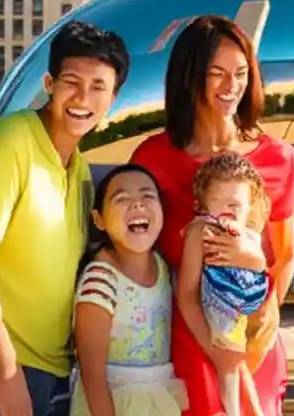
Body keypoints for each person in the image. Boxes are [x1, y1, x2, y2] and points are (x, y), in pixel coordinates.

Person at [0, 20, 130, 416]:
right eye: (71, 82)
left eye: (98, 87)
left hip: (50, 372)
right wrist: (6, 371)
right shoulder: (11, 141)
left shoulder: (77, 170)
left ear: (113, 97)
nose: (82, 97)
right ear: (49, 83)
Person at [130, 15, 294, 416]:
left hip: (252, 339)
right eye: (217, 73)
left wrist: (256, 328)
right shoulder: (152, 160)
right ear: (190, 77)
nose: (232, 87)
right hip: (183, 344)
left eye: (241, 73)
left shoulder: (279, 159)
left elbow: (286, 255)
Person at [71, 164, 186, 416]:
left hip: (158, 401)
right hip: (114, 404)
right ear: (98, 219)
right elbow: (92, 375)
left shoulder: (163, 267)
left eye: (148, 196)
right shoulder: (100, 280)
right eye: (122, 199)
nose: (138, 205)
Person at [179, 153, 272, 416]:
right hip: (215, 320)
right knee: (229, 373)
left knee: (238, 368)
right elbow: (187, 293)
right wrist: (207, 339)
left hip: (243, 318)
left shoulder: (250, 235)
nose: (226, 209)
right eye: (217, 202)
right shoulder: (202, 232)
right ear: (204, 203)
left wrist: (254, 258)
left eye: (235, 204)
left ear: (250, 205)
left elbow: (261, 274)